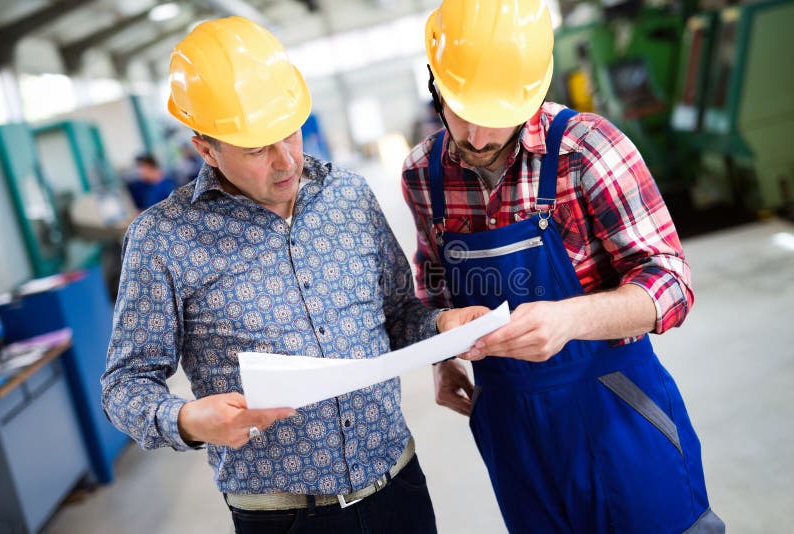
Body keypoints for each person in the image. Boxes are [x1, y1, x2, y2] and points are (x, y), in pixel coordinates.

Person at [102, 17, 485, 534]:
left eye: (289, 133)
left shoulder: (348, 195)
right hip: (285, 520)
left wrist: (440, 327)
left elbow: (398, 313)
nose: (285, 162)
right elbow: (124, 385)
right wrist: (189, 420)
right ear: (206, 148)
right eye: (256, 149)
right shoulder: (163, 239)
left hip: (398, 489)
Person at [401, 1, 725, 532]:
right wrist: (443, 357)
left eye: (496, 114)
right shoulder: (422, 175)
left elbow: (671, 283)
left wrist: (571, 319)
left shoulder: (587, 148)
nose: (477, 137)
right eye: (460, 110)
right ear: (436, 85)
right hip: (510, 428)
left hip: (617, 410)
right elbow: (434, 278)